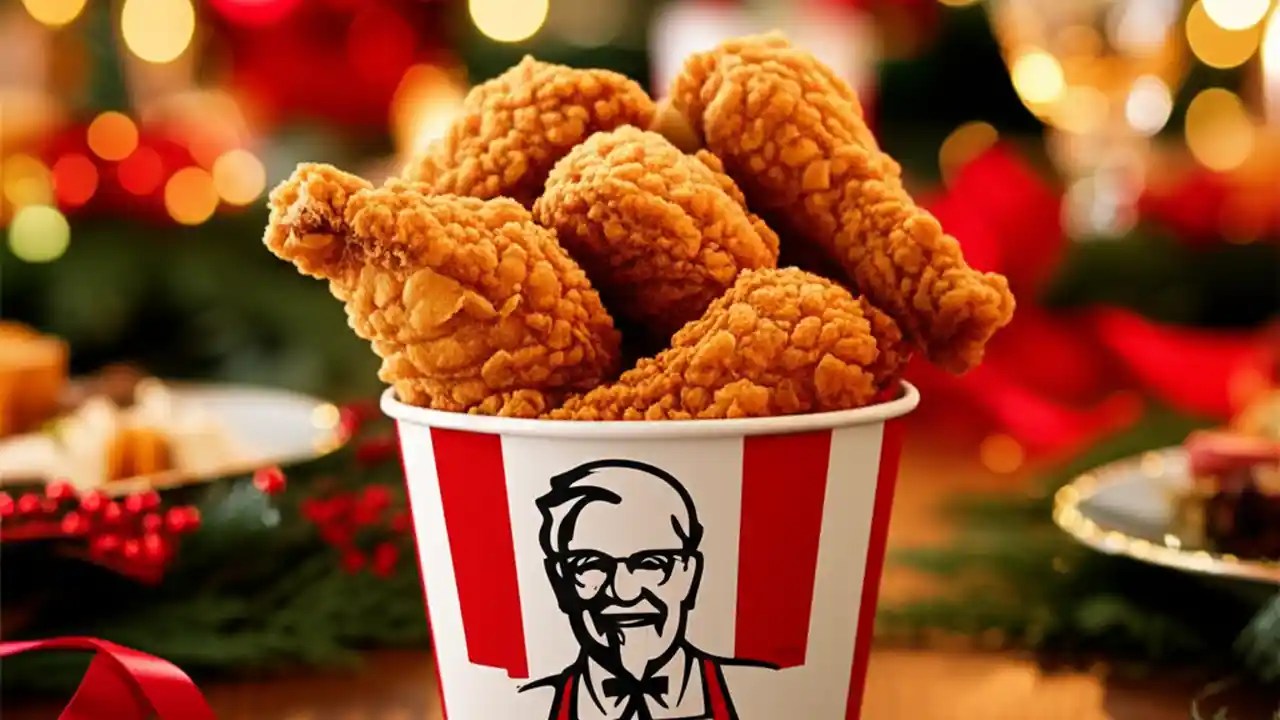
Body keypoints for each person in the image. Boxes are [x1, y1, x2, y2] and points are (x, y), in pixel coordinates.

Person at [523, 459, 767, 720]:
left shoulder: (761, 691)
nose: (624, 592)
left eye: (651, 564)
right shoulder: (524, 705)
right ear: (559, 581)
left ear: (689, 574)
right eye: (591, 564)